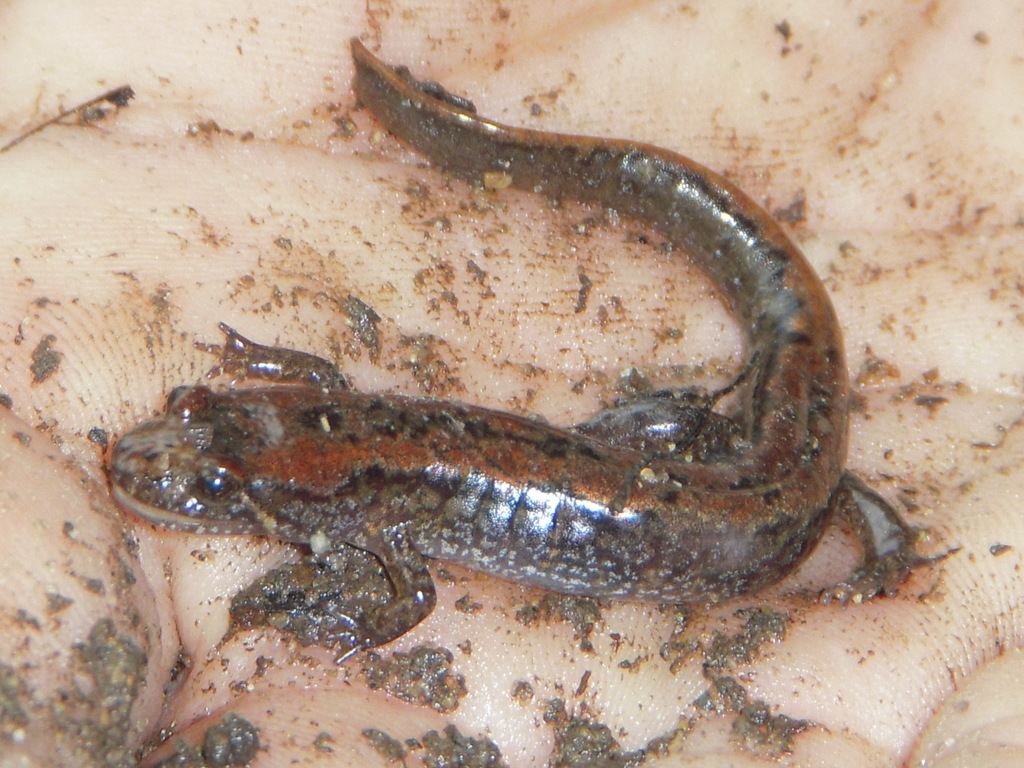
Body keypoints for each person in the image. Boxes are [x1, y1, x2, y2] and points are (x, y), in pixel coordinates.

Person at [1, 2, 1020, 765]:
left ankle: (861, 526)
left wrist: (340, 615)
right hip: (744, 479)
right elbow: (322, 404)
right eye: (205, 456)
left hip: (747, 540)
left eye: (214, 482)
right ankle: (752, 467)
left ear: (297, 487)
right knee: (778, 466)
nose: (159, 469)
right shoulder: (328, 424)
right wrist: (265, 379)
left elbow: (401, 599)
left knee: (801, 489)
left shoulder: (362, 504)